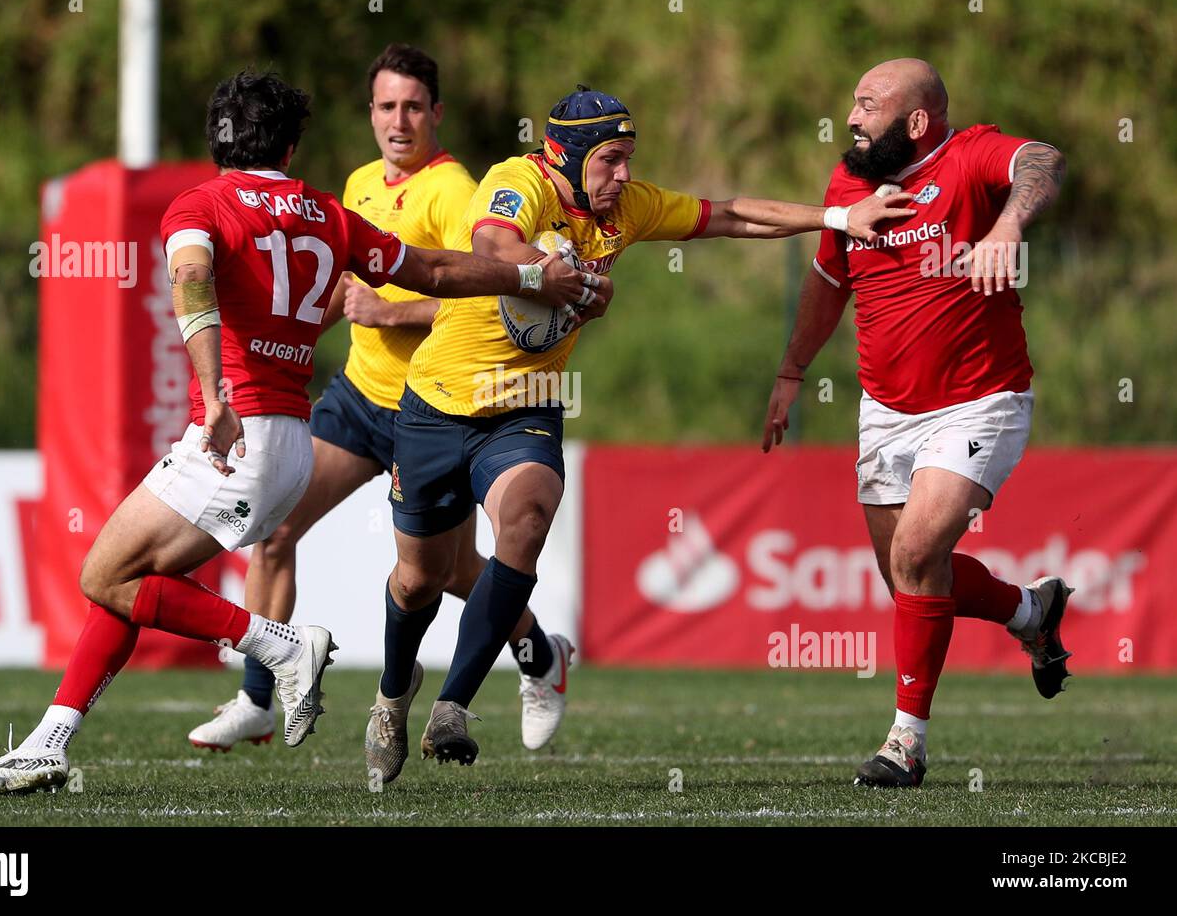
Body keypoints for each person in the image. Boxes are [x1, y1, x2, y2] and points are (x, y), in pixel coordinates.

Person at [0, 68, 603, 795]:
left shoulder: (199, 204)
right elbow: (437, 272)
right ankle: (51, 742)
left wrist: (210, 392)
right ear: (291, 146)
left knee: (104, 574)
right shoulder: (327, 209)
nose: (396, 118)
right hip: (295, 434)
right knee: (127, 579)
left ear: (215, 139)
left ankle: (281, 645)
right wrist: (532, 279)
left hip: (242, 434)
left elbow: (192, 281)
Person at [377, 85, 916, 774]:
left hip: (527, 403)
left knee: (529, 518)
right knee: (420, 580)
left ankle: (451, 708)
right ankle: (393, 701)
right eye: (611, 160)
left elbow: (729, 216)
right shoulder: (521, 180)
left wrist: (839, 215)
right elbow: (493, 240)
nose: (625, 176)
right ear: (568, 156)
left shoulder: (626, 208)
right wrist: (555, 275)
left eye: (630, 159)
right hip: (435, 404)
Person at [185, 46, 576, 778]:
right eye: (386, 106)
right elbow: (339, 290)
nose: (399, 120)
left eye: (413, 106)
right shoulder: (361, 183)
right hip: (360, 399)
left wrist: (393, 310)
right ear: (370, 114)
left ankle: (540, 654)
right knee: (273, 527)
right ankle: (260, 695)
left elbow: (490, 300)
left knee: (452, 574)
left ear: (437, 113)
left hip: (434, 407)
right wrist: (274, 362)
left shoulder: (457, 191)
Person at [761, 58, 1070, 788]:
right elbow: (828, 280)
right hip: (886, 408)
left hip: (979, 400)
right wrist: (791, 371)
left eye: (868, 105)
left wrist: (1008, 224)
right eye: (854, 102)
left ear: (917, 122)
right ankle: (1032, 609)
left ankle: (905, 743)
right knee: (909, 578)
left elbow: (1043, 160)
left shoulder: (967, 157)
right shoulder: (850, 185)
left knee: (918, 552)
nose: (853, 119)